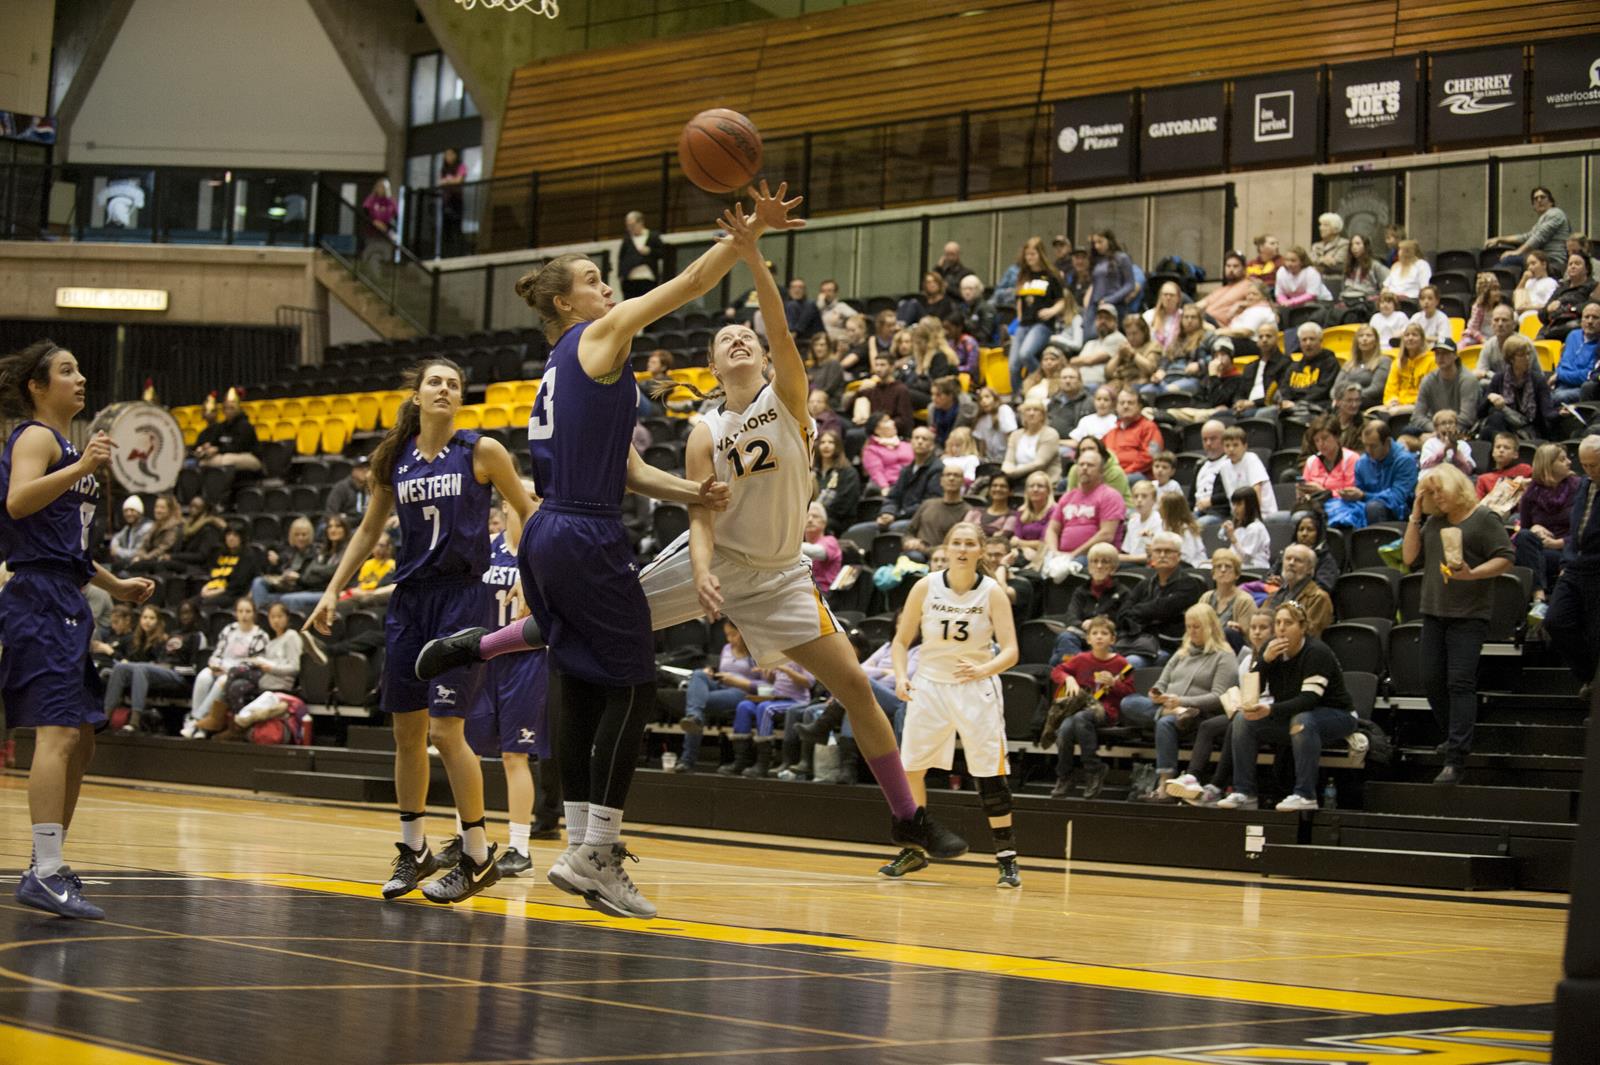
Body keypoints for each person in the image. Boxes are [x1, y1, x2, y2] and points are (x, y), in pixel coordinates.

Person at [305, 356, 537, 906]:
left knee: (445, 732)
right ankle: (414, 851)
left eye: (454, 384)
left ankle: (478, 856)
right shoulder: (397, 461)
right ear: (417, 396)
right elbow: (366, 533)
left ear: (461, 400)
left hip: (461, 599)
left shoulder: (481, 451)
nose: (445, 389)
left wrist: (536, 579)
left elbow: (528, 510)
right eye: (435, 381)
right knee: (406, 734)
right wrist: (331, 590)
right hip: (409, 603)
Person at [0, 340, 155, 918]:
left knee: (82, 739)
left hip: (65, 592)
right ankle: (43, 868)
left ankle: (51, 863)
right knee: (58, 734)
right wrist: (83, 468)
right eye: (67, 371)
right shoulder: (38, 437)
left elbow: (67, 546)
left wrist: (117, 587)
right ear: (39, 387)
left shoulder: (65, 447)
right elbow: (17, 503)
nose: (80, 378)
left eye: (80, 370)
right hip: (37, 598)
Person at [887, 523, 1020, 887]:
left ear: (980, 550)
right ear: (946, 548)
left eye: (969, 544)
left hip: (975, 689)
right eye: (956, 543)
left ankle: (1007, 859)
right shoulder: (925, 586)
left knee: (989, 773)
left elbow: (1011, 651)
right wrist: (901, 676)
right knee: (910, 769)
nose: (962, 549)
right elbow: (900, 642)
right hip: (929, 686)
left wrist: (984, 668)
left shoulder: (992, 592)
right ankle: (915, 849)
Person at [1402, 464, 1514, 785]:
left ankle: (1456, 758)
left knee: (1459, 682)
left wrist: (1473, 574)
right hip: (1434, 612)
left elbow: (1506, 557)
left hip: (1469, 615)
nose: (1437, 497)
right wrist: (1415, 512)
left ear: (1456, 486)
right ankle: (1455, 736)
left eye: (1440, 490)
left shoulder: (1483, 519)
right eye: (1431, 492)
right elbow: (1410, 557)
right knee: (1430, 679)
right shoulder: (1434, 521)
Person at [463, 490, 550, 879]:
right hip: (484, 661)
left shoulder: (544, 555)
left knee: (516, 755)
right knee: (467, 750)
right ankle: (468, 840)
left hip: (525, 662)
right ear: (502, 508)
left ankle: (519, 847)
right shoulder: (485, 550)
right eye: (520, 497)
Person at [1218, 601, 1356, 811]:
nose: (1281, 628)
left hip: (1337, 715)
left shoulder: (1316, 652)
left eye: (1288, 623)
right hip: (1293, 715)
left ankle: (1305, 795)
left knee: (1302, 720)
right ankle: (1244, 792)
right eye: (1279, 622)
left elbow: (1308, 700)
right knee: (1242, 719)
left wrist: (1272, 710)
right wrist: (1265, 661)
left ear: (1302, 628)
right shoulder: (1269, 649)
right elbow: (1252, 691)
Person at [1126, 604, 1239, 801]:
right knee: (1129, 702)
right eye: (1189, 627)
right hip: (1171, 707)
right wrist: (1156, 693)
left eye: (1197, 627)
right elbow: (1162, 681)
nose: (1192, 632)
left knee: (1164, 723)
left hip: (1198, 713)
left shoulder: (1225, 656)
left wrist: (1182, 701)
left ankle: (1164, 786)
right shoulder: (1182, 652)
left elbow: (1218, 696)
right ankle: (1175, 712)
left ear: (1210, 627)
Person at [1043, 614, 1134, 799]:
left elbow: (1129, 693)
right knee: (1065, 728)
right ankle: (1065, 775)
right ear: (1088, 638)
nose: (1099, 636)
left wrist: (1114, 684)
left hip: (1106, 712)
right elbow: (1057, 670)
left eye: (1104, 633)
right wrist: (1068, 678)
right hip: (1080, 710)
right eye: (1095, 633)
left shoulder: (1122, 663)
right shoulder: (1081, 658)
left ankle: (1093, 769)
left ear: (1113, 639)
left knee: (1079, 718)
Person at [1544, 436, 1600, 688]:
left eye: (1595, 465)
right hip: (1574, 566)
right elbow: (1575, 528)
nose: (1590, 470)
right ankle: (1588, 676)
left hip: (1597, 570)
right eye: (1585, 465)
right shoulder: (1583, 485)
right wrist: (1566, 560)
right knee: (1555, 620)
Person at [1112, 532, 1204, 669]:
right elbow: (1122, 615)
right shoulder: (1144, 584)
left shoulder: (1189, 584)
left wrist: (1140, 613)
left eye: (1168, 551)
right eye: (1158, 551)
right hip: (1138, 643)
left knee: (1129, 664)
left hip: (1167, 647)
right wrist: (1148, 614)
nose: (1162, 555)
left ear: (1178, 556)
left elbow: (1163, 609)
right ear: (1152, 556)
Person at [1515, 442, 1581, 614]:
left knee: (1532, 559)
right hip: (1541, 552)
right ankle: (1539, 598)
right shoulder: (1530, 494)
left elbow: (1585, 529)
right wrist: (1535, 527)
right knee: (1523, 537)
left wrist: (1558, 543)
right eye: (1562, 459)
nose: (1569, 462)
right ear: (1548, 465)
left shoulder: (1579, 487)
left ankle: (1539, 602)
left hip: (1568, 552)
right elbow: (1525, 528)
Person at [1041, 448, 1123, 570]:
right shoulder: (1067, 497)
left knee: (1064, 570)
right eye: (1081, 464)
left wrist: (1073, 555)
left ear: (1101, 471)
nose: (1084, 468)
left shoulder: (1110, 496)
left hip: (1094, 557)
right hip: (1063, 556)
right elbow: (1052, 529)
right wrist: (1054, 553)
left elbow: (1106, 535)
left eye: (1090, 465)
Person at [1009, 237, 1068, 396]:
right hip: (1024, 324)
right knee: (1013, 365)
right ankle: (1018, 396)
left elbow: (1062, 301)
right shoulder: (1024, 275)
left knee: (1026, 354)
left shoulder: (1051, 275)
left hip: (1042, 324)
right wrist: (1020, 315)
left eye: (1033, 254)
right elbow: (1019, 299)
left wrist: (1051, 311)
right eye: (1027, 255)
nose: (1030, 258)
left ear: (1040, 254)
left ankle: (1043, 379)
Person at [1337, 419, 1418, 526]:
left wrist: (1363, 496)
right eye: (1365, 445)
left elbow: (1398, 497)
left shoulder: (1404, 461)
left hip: (1398, 512)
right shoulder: (1362, 462)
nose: (1368, 450)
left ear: (1387, 442)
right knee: (1336, 506)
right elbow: (1359, 492)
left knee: (1374, 508)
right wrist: (1351, 495)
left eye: (1373, 446)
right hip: (1366, 506)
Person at [1481, 335, 1556, 441]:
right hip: (1506, 428)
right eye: (1522, 355)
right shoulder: (1499, 379)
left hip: (1530, 429)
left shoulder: (1537, 380)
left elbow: (1547, 412)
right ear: (1511, 359)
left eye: (1528, 354)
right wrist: (1490, 398)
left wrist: (1560, 413)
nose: (1527, 358)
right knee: (1495, 419)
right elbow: (1480, 412)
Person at [1409, 339, 1479, 442]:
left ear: (1455, 355)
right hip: (1433, 430)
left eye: (1445, 353)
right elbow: (1417, 416)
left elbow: (1466, 418)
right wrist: (1437, 430)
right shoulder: (1428, 380)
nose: (1441, 357)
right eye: (1437, 354)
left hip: (1461, 432)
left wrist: (1444, 430)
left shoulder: (1468, 380)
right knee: (1404, 437)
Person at [1487, 186, 1571, 269]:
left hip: (1553, 260)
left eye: (1543, 197)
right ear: (1534, 206)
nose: (1539, 200)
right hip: (1540, 258)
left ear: (1551, 202)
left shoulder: (1555, 214)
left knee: (1508, 260)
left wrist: (1517, 252)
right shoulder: (1543, 219)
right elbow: (1526, 237)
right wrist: (1499, 239)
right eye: (1536, 199)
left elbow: (1538, 237)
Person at [1259, 543, 1334, 637]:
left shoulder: (1319, 598)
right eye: (1288, 559)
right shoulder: (1274, 595)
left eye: (1298, 560)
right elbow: (1260, 623)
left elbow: (1308, 633)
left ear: (1310, 568)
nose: (1291, 563)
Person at [878, 425, 945, 526]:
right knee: (858, 530)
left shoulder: (937, 468)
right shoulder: (906, 470)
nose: (920, 441)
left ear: (932, 446)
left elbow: (930, 503)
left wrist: (898, 514)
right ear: (911, 443)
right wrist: (887, 512)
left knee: (894, 528)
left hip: (921, 520)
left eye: (924, 439)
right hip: (899, 516)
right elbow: (893, 497)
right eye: (916, 438)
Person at [904, 466, 970, 554]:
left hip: (943, 560)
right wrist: (909, 541)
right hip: (915, 555)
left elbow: (960, 545)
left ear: (963, 482)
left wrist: (925, 550)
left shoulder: (968, 511)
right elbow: (909, 532)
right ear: (941, 481)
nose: (951, 478)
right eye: (947, 475)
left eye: (956, 475)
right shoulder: (927, 504)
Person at [192, 390, 261, 473]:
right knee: (204, 462)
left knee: (226, 460)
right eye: (226, 408)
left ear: (238, 409)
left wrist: (218, 450)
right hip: (226, 454)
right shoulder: (222, 426)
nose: (228, 411)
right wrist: (206, 448)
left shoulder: (245, 426)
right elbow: (214, 442)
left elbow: (239, 447)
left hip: (249, 456)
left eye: (231, 408)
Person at [1382, 323, 1435, 420]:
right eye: (1407, 335)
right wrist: (1392, 400)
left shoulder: (1432, 361)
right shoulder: (1397, 363)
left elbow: (1431, 392)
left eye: (1415, 335)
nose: (1410, 338)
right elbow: (1390, 389)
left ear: (1422, 339)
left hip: (1421, 408)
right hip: (1398, 405)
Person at [1103, 388, 1161, 479]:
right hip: (1112, 474)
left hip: (1137, 475)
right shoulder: (1111, 432)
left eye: (1130, 403)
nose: (1125, 406)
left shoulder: (1149, 427)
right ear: (1116, 407)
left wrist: (1124, 473)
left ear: (1139, 407)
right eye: (1122, 403)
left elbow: (1151, 456)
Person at [1550, 301, 1600, 404]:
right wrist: (1558, 375)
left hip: (1579, 389)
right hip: (1559, 384)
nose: (1590, 321)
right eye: (1586, 317)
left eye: (1595, 317)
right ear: (1581, 320)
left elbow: (1587, 376)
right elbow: (1562, 364)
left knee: (1553, 398)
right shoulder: (1573, 335)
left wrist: (1559, 375)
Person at [1001, 400, 1062, 482]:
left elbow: (1039, 464)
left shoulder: (1050, 434)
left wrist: (1013, 473)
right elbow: (1008, 461)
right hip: (1017, 480)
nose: (1031, 413)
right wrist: (1006, 471)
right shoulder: (1015, 435)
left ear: (1043, 415)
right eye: (1028, 410)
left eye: (1036, 410)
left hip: (1044, 481)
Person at [813, 429, 861, 533]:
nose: (826, 446)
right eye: (822, 442)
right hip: (811, 516)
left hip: (838, 520)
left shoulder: (848, 472)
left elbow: (844, 506)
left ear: (838, 446)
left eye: (831, 442)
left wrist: (818, 514)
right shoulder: (812, 472)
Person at [618, 210, 669, 300]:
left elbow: (664, 253)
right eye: (628, 226)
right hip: (630, 280)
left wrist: (650, 251)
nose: (630, 228)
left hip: (648, 278)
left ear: (640, 222)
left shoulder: (653, 236)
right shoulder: (627, 239)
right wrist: (621, 276)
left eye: (632, 225)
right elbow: (621, 259)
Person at [1196, 252, 1256, 328]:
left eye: (1235, 266)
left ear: (1244, 269)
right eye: (1228, 266)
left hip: (1219, 325)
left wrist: (1242, 303)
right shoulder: (1220, 290)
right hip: (1204, 320)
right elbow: (1200, 304)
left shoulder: (1248, 285)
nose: (1231, 269)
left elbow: (1262, 302)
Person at [1475, 431, 1532, 501]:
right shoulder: (1483, 479)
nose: (1501, 450)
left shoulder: (1524, 469)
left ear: (1515, 454)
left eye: (1507, 448)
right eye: (1498, 447)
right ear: (1493, 452)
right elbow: (1478, 507)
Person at [1223, 486, 1270, 569]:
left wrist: (1233, 539)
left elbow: (1246, 558)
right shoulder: (1239, 529)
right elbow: (1232, 553)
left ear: (1249, 506)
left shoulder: (1256, 528)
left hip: (1255, 569)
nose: (1235, 509)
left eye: (1239, 504)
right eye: (1234, 504)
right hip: (1239, 567)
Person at [1273, 245, 1330, 311]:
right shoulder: (1281, 271)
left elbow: (1312, 295)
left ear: (1302, 262)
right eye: (1287, 260)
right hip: (1294, 304)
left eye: (1293, 261)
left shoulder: (1311, 272)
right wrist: (1284, 302)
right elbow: (1279, 293)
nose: (1289, 264)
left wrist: (1291, 302)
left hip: (1320, 302)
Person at [1418, 410, 1473, 475]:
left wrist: (1455, 450)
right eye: (1443, 423)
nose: (1447, 426)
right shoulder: (1430, 443)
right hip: (1434, 478)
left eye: (1451, 423)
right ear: (1436, 428)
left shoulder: (1463, 445)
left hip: (1456, 479)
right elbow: (1424, 465)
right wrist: (1444, 450)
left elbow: (1468, 470)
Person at [1473, 304, 1519, 381]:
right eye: (1496, 320)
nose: (1500, 324)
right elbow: (1479, 372)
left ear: (1513, 324)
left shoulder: (1524, 344)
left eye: (1504, 320)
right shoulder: (1489, 345)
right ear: (1491, 324)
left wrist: (1487, 374)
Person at [971, 386, 1017, 463]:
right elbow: (982, 444)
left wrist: (1010, 460)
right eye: (981, 399)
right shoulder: (982, 418)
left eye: (987, 397)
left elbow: (1011, 437)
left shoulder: (1004, 410)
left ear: (995, 398)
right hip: (990, 460)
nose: (984, 401)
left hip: (1006, 457)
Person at [437, 148, 468, 256]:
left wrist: (448, 181)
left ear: (455, 155)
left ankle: (459, 252)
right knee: (446, 228)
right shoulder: (444, 169)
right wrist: (449, 181)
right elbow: (440, 182)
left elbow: (459, 180)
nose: (448, 157)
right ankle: (445, 253)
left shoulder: (461, 166)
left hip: (456, 200)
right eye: (446, 155)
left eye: (450, 154)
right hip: (446, 201)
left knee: (457, 226)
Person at [1513, 252, 1558, 327]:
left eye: (1533, 264)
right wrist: (1523, 280)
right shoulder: (1528, 282)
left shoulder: (1550, 282)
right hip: (1522, 311)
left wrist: (1527, 308)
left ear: (1544, 264)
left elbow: (1548, 305)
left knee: (1526, 317)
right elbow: (1516, 296)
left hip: (1537, 313)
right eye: (1528, 265)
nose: (1530, 268)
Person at [1382, 239, 1432, 305]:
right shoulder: (1396, 266)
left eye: (1401, 250)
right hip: (1391, 300)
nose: (1399, 253)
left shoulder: (1422, 265)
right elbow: (1386, 286)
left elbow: (1424, 288)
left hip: (1410, 301)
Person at [326, 456, 371, 521]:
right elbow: (331, 512)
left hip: (367, 524)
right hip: (346, 525)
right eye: (361, 468)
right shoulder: (341, 487)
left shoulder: (372, 488)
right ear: (353, 471)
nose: (365, 471)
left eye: (368, 468)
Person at [108, 497, 151, 567]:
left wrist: (117, 551)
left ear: (139, 512)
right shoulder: (128, 528)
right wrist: (114, 546)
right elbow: (116, 538)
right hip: (128, 564)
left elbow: (138, 552)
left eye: (132, 510)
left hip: (140, 565)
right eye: (126, 511)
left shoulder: (147, 528)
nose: (128, 513)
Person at [1309, 212, 1351, 281]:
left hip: (1335, 280)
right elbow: (1310, 262)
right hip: (1316, 279)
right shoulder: (1316, 246)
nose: (1321, 228)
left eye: (1325, 225)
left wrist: (1318, 261)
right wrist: (1323, 260)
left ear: (1335, 228)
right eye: (1321, 225)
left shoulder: (1344, 244)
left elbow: (1337, 265)